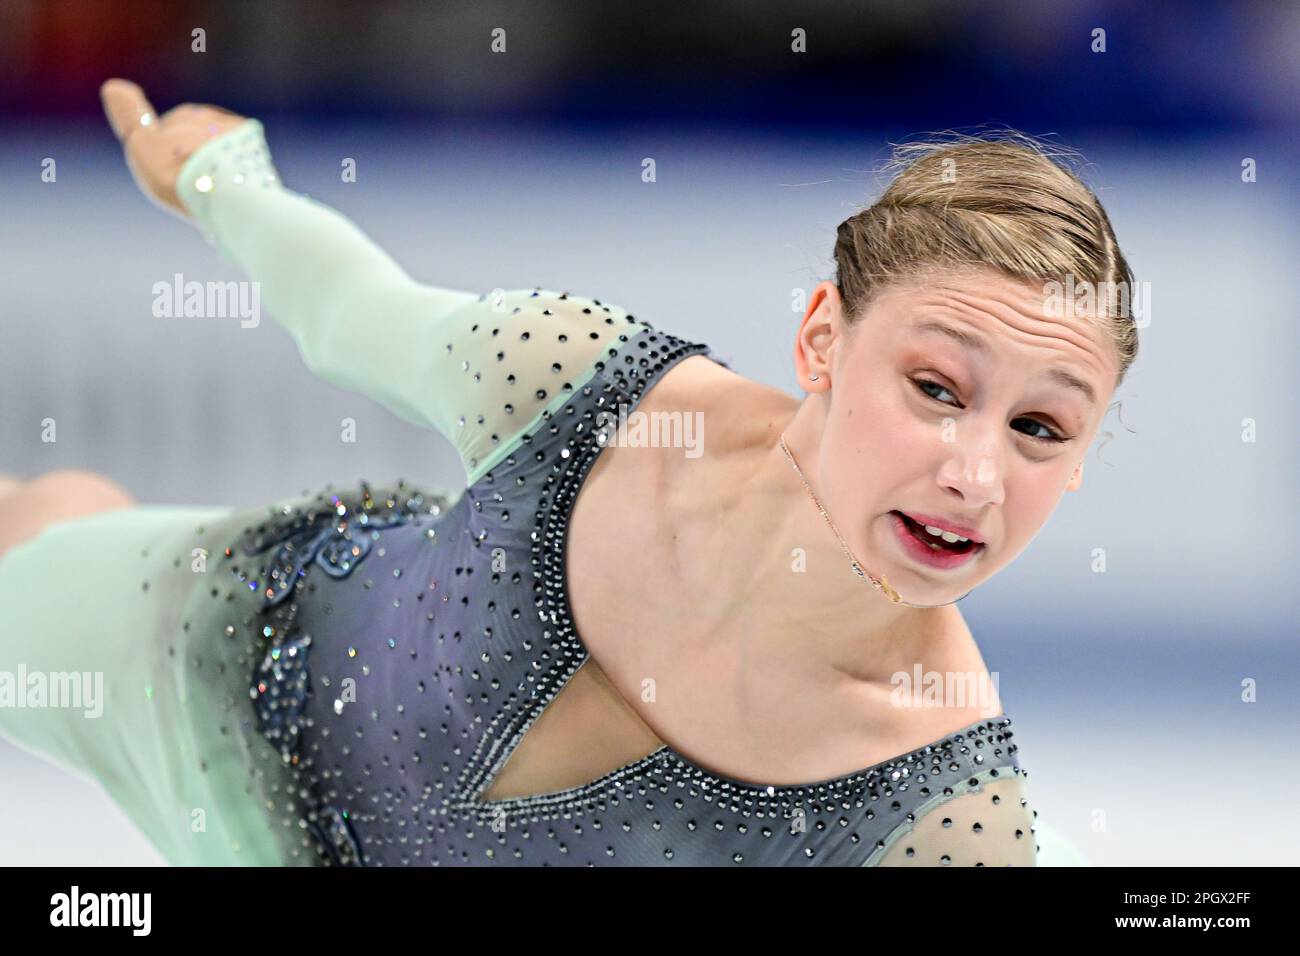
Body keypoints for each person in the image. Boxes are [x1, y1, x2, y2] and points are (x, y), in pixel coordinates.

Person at [0, 78, 1134, 866]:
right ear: (822, 342)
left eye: (1041, 427)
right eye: (936, 389)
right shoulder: (580, 380)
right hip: (223, 663)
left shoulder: (943, 818)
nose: (974, 472)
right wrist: (223, 179)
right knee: (27, 535)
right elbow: (352, 313)